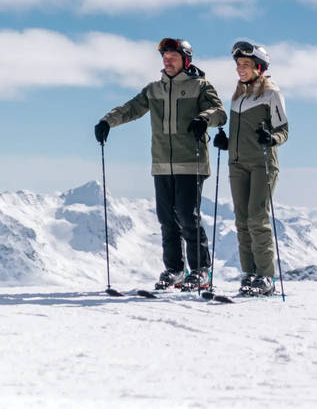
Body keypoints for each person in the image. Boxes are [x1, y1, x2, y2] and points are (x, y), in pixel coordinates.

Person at [94, 38, 225, 291]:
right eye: (164, 57)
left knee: (188, 216)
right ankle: (175, 270)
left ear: (186, 60)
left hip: (191, 162)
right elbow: (131, 108)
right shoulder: (154, 89)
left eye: (173, 56)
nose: (167, 60)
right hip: (162, 163)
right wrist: (107, 121)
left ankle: (200, 271)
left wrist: (203, 119)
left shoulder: (200, 86)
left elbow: (219, 112)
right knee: (167, 219)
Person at [212, 40, 289, 297]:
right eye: (238, 65)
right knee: (242, 221)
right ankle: (250, 274)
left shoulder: (272, 95)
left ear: (259, 67)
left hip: (262, 163)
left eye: (245, 64)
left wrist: (272, 138)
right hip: (237, 164)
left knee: (257, 218)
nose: (240, 69)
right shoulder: (237, 97)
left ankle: (266, 277)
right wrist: (226, 143)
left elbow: (283, 131)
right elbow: (240, 134)